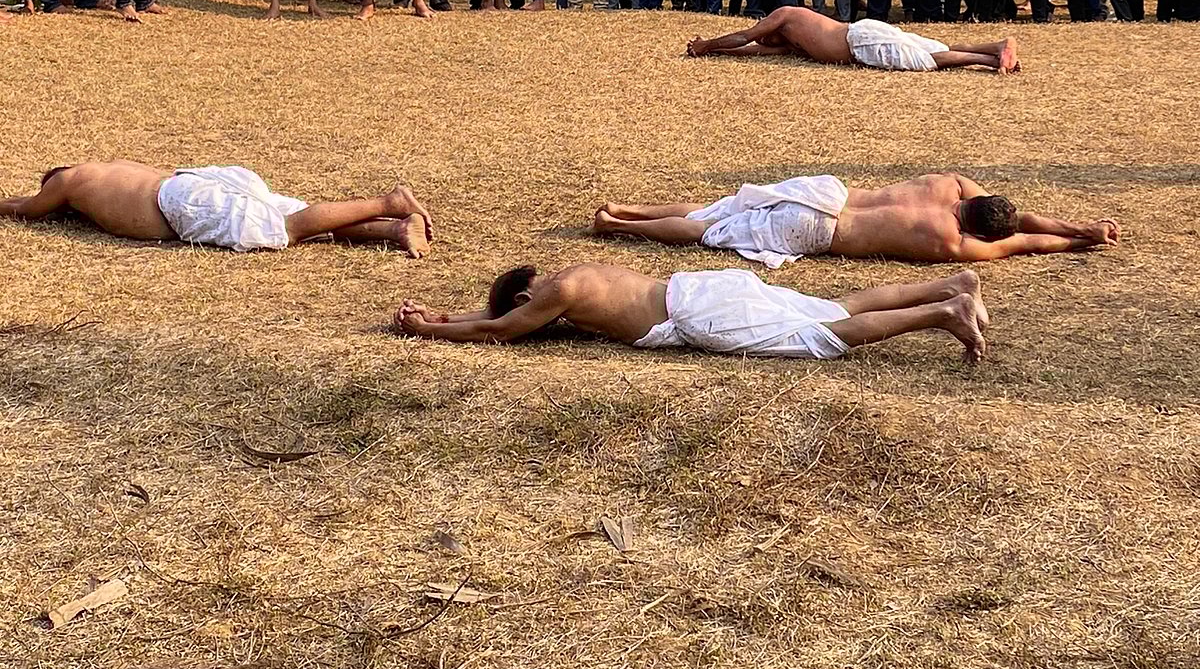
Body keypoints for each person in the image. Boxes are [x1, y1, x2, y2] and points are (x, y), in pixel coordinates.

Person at [393, 262, 991, 366]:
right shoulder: (572, 282)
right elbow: (496, 317)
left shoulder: (560, 294)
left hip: (699, 312)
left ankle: (942, 314)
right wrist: (443, 315)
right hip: (703, 289)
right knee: (835, 307)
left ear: (528, 296)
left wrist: (428, 331)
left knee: (823, 336)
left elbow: (498, 329)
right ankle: (953, 286)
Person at [594, 171, 1119, 265]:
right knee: (713, 231)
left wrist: (1081, 227)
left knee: (723, 209)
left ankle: (624, 210)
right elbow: (1023, 239)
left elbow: (1017, 215)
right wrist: (1080, 238)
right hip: (823, 230)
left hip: (829, 191)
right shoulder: (951, 242)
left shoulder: (951, 185)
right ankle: (618, 226)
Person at [1, 162, 433, 256]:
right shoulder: (111, 169)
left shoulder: (67, 180)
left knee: (287, 229)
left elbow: (28, 209)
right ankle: (394, 230)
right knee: (300, 216)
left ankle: (390, 202)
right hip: (192, 183)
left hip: (177, 203)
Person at [685, 5, 1020, 73]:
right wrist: (717, 54)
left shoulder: (783, 16)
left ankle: (989, 61)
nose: (765, 42)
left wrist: (707, 45)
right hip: (863, 37)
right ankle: (996, 47)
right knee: (932, 48)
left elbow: (745, 35)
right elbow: (752, 50)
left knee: (925, 61)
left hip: (860, 41)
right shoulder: (786, 39)